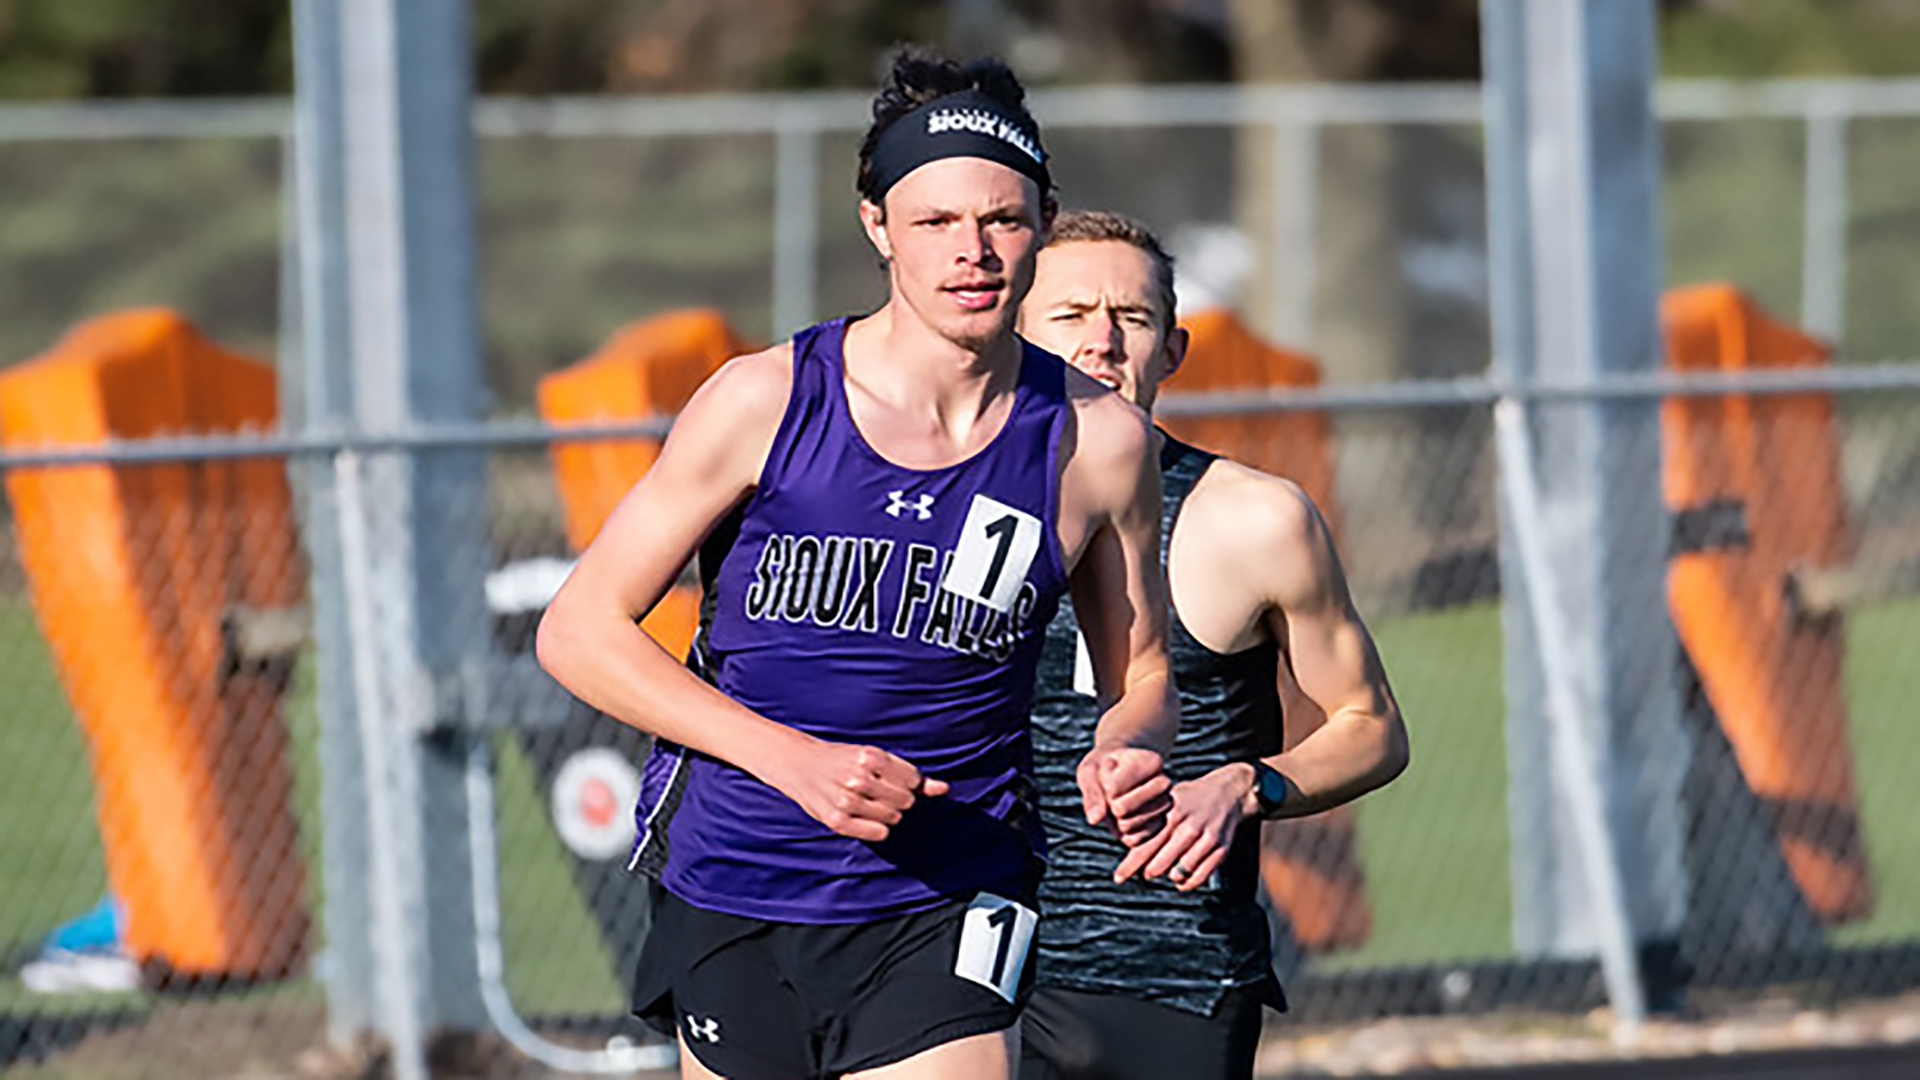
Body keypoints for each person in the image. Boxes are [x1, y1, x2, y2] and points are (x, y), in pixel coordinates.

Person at [536, 51, 1181, 1080]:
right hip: (741, 883)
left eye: (1003, 221)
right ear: (878, 225)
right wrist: (793, 761)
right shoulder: (766, 401)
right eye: (934, 223)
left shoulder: (1098, 441)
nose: (972, 253)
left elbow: (1142, 671)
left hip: (950, 891)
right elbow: (576, 631)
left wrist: (1128, 745)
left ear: (1045, 222)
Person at [1013, 210, 1410, 1080]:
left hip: (1174, 975)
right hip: (967, 973)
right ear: (1012, 329)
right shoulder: (935, 508)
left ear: (1174, 351)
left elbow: (1372, 726)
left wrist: (1248, 783)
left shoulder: (1256, 518)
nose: (1103, 342)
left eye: (1134, 319)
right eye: (1071, 315)